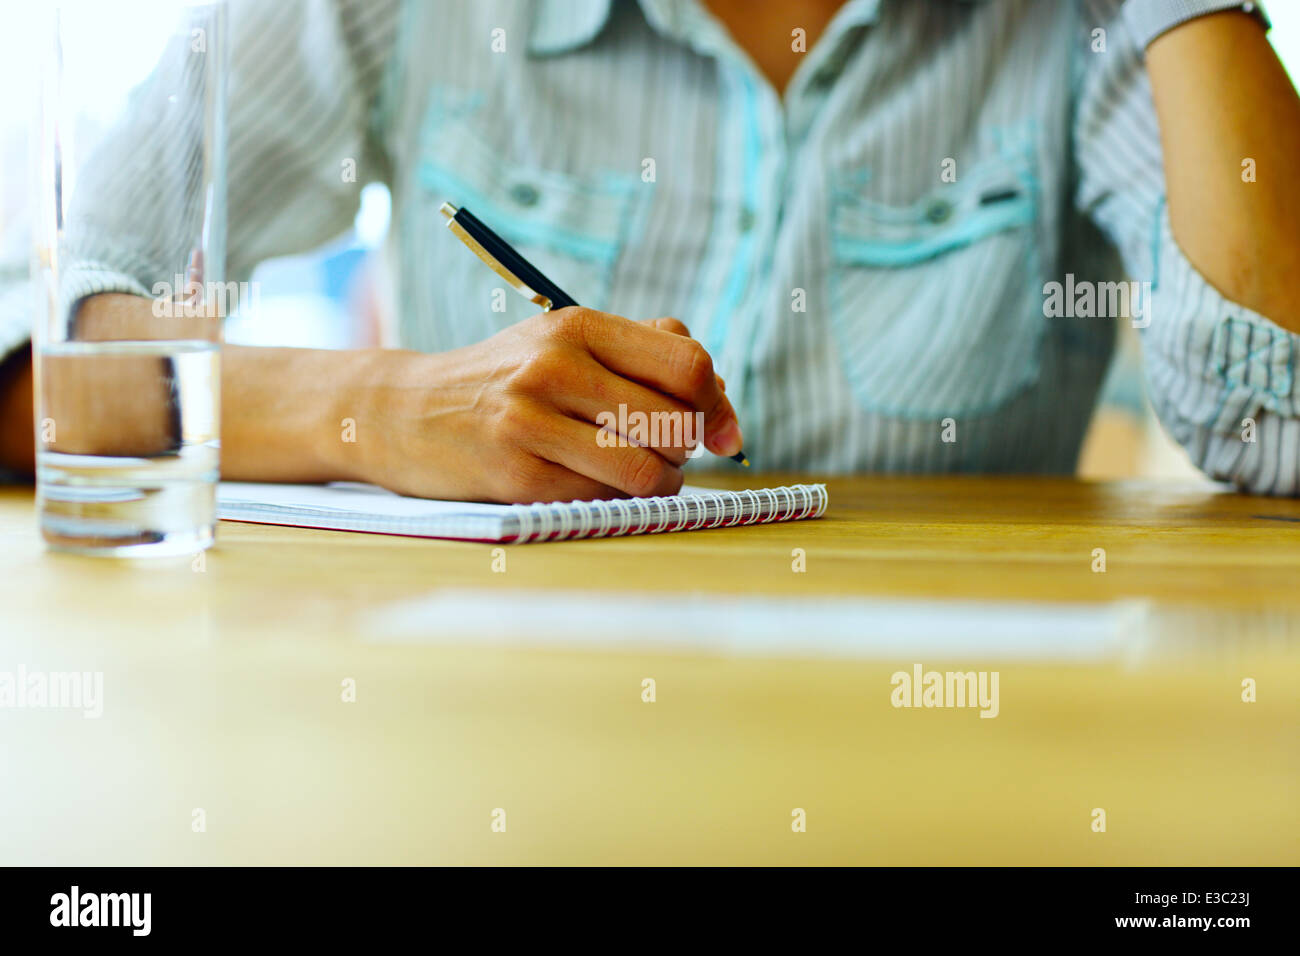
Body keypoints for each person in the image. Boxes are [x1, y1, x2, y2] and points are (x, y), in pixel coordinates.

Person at [1, 0, 1297, 501]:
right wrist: (377, 409)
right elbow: (43, 349)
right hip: (502, 746)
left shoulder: (1079, 24)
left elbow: (1273, 419)